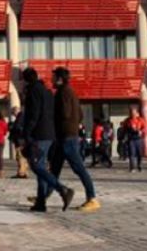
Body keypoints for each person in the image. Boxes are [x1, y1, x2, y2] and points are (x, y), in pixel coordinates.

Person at [18, 68, 76, 212]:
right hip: (50, 134)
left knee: (36, 166)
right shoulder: (47, 91)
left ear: (25, 80)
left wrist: (27, 133)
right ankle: (41, 202)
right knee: (41, 167)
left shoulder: (34, 91)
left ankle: (62, 189)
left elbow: (34, 114)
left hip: (39, 134)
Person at [47, 68, 99, 212]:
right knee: (54, 169)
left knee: (79, 169)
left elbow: (65, 113)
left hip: (67, 137)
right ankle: (43, 197)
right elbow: (80, 114)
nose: (51, 80)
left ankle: (92, 198)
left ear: (59, 79)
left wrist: (53, 117)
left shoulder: (63, 92)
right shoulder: (70, 92)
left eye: (53, 77)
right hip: (67, 135)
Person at [122, 107, 146, 173]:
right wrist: (124, 137)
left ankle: (139, 165)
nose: (132, 114)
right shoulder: (127, 120)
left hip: (139, 139)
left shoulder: (140, 120)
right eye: (131, 112)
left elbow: (144, 128)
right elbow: (124, 130)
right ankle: (132, 167)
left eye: (134, 112)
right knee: (132, 154)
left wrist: (141, 131)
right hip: (131, 139)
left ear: (137, 113)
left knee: (139, 154)